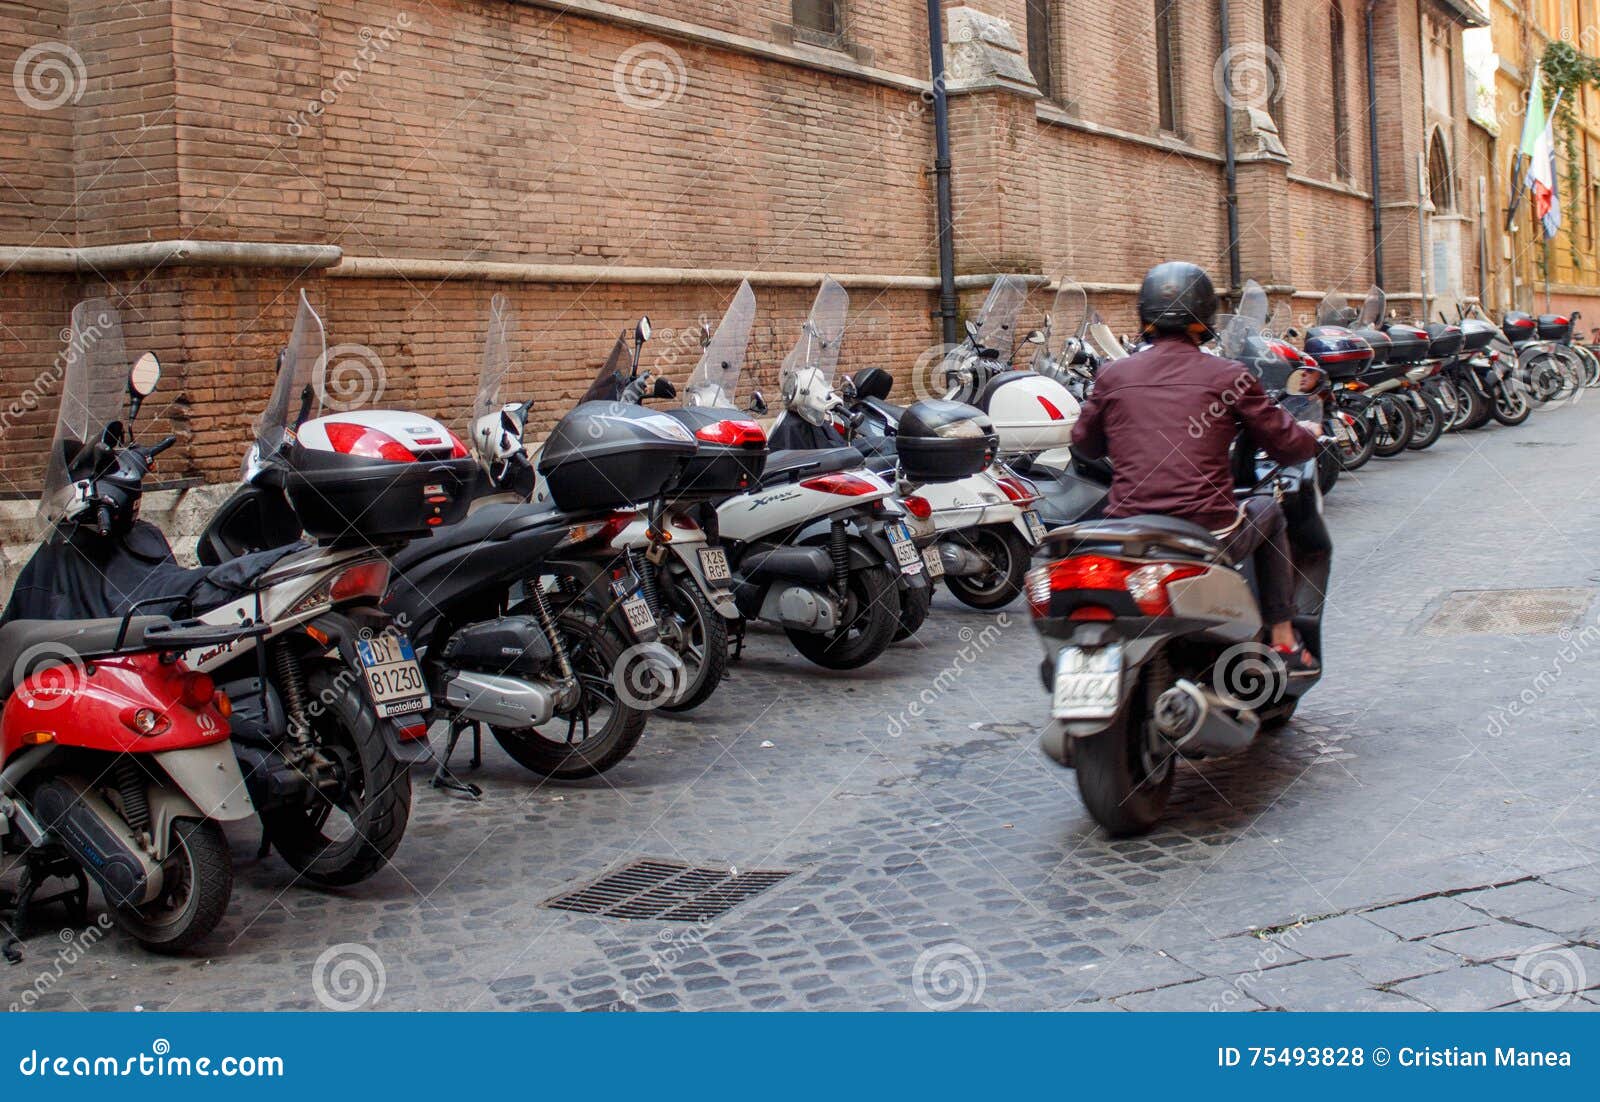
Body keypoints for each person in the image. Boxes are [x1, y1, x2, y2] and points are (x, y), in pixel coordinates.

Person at [1070, 261, 1321, 673]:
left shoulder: (1114, 375)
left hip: (1130, 528)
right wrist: (1310, 433)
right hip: (1207, 530)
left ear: (1145, 315)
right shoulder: (1229, 375)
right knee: (1271, 512)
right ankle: (1282, 637)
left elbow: (1085, 443)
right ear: (1204, 317)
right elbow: (1286, 445)